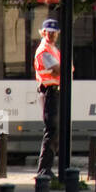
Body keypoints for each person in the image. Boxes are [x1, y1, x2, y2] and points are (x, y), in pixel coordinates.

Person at [33, 18, 63, 178]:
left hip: (54, 92)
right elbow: (59, 70)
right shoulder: (44, 50)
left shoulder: (53, 49)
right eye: (49, 32)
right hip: (49, 92)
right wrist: (58, 69)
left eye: (54, 33)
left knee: (54, 131)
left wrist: (60, 69)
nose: (52, 35)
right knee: (51, 131)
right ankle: (44, 170)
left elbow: (66, 68)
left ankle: (47, 169)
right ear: (43, 33)